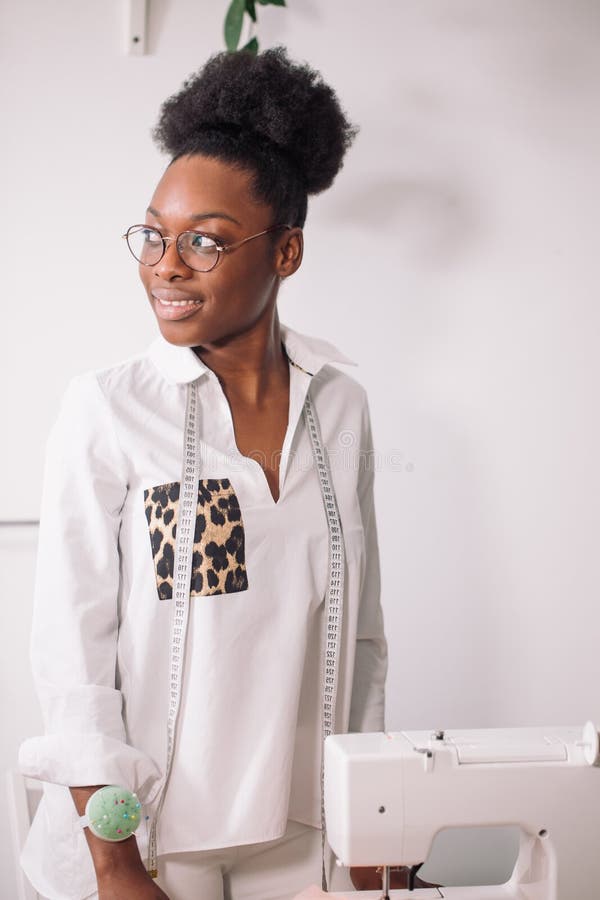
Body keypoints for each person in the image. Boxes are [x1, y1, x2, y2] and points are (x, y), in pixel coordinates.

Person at [18, 47, 388, 900]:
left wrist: (376, 818)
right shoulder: (108, 408)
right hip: (153, 838)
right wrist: (115, 863)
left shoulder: (342, 407)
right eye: (153, 234)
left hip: (305, 828)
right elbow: (73, 654)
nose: (165, 265)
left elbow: (363, 639)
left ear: (286, 251)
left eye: (205, 242)